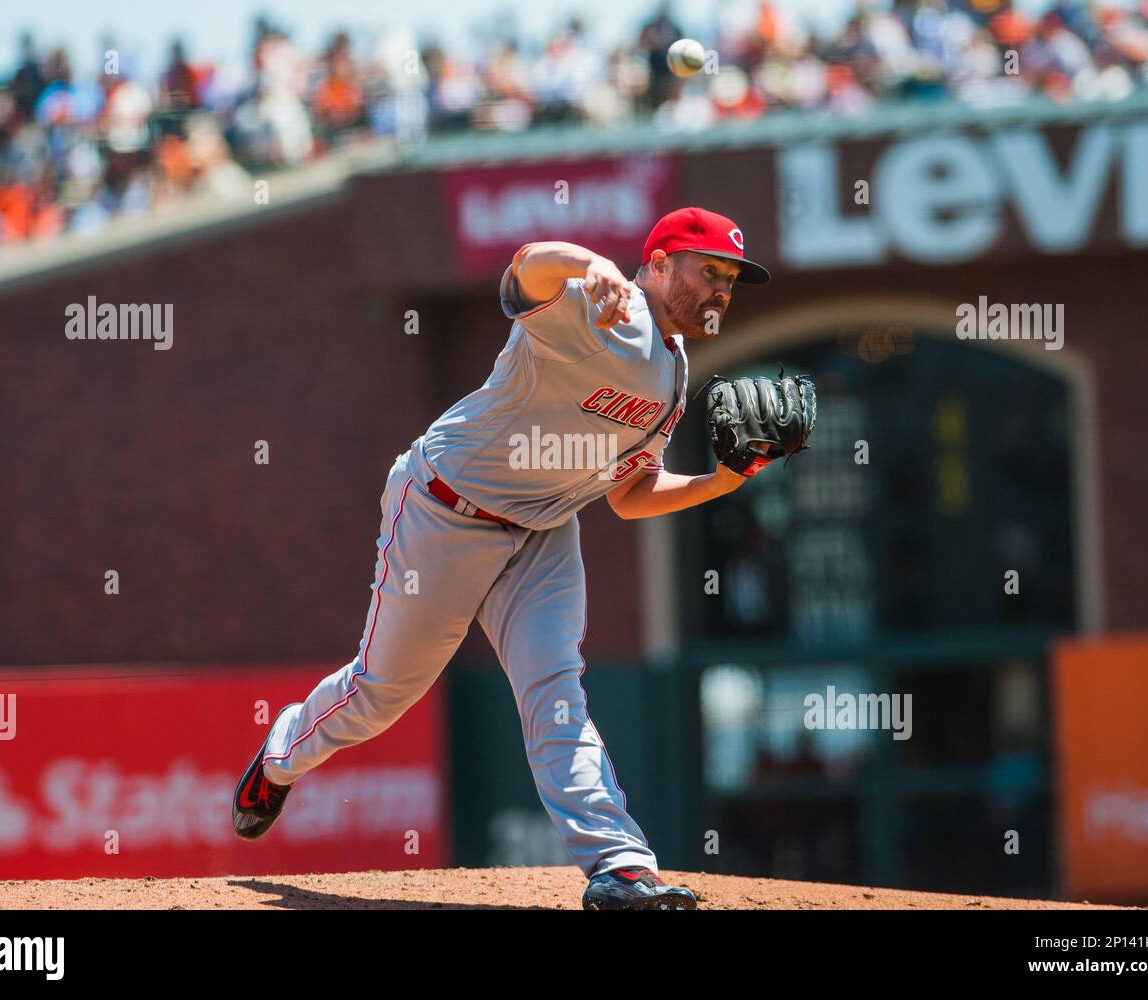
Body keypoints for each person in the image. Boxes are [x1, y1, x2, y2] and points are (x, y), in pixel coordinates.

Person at [233, 207, 775, 910]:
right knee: (380, 695)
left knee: (556, 693)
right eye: (710, 272)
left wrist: (722, 482)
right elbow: (523, 268)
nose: (722, 291)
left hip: (543, 530)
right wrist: (594, 267)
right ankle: (279, 758)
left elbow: (630, 495)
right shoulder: (597, 305)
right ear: (660, 264)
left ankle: (619, 866)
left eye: (731, 279)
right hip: (442, 509)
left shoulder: (673, 373)